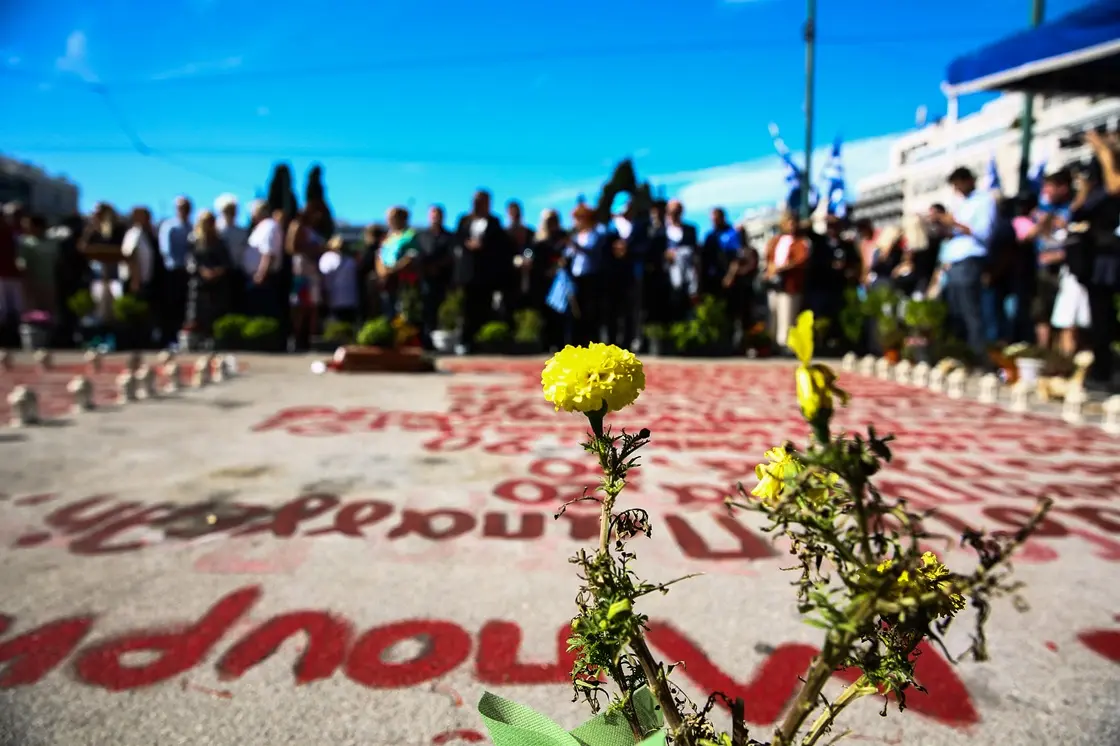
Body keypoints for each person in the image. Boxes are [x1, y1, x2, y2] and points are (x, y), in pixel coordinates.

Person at [929, 167, 996, 361]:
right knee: (954, 311)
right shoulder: (960, 203)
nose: (956, 189)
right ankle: (958, 354)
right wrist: (940, 224)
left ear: (968, 181)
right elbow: (953, 233)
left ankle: (977, 356)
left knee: (970, 311)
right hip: (953, 263)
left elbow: (983, 232)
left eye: (958, 184)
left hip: (970, 261)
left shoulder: (984, 201)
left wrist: (953, 222)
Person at [454, 190, 509, 353]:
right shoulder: (464, 220)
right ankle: (464, 341)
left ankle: (482, 341)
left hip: (486, 274)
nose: (478, 204)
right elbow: (457, 240)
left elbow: (500, 245)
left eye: (482, 201)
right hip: (467, 272)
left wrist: (483, 246)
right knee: (466, 308)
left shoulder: (494, 221)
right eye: (476, 201)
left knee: (484, 308)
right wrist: (467, 244)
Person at [604, 193, 649, 348]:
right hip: (613, 274)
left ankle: (627, 342)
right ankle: (611, 342)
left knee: (631, 309)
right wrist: (615, 250)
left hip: (632, 273)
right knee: (612, 310)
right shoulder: (610, 227)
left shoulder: (639, 226)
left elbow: (644, 247)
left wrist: (627, 249)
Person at [564, 202, 608, 345]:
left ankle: (592, 341)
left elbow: (592, 250)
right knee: (577, 312)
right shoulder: (576, 235)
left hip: (591, 277)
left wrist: (575, 245)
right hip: (576, 278)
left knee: (591, 311)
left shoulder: (596, 233)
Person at [764, 211, 809, 347]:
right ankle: (771, 344)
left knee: (787, 317)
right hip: (775, 284)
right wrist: (771, 269)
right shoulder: (775, 240)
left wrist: (782, 268)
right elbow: (769, 258)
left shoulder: (801, 241)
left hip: (790, 285)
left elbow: (801, 260)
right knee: (772, 316)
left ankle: (785, 345)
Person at [186, 210, 233, 339]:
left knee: (216, 313)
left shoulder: (220, 242)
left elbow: (226, 262)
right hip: (199, 284)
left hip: (218, 284)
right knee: (197, 314)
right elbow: (190, 261)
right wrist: (202, 271)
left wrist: (217, 271)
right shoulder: (194, 241)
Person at [120, 207, 165, 333]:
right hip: (135, 281)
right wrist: (135, 279)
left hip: (147, 280)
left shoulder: (149, 233)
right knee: (135, 315)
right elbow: (131, 256)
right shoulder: (134, 233)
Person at [286, 206, 325, 350]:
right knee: (300, 306)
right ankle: (297, 338)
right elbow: (292, 247)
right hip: (303, 272)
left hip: (313, 272)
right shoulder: (298, 226)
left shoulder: (312, 229)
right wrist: (315, 249)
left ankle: (308, 339)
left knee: (312, 306)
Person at [416, 205, 456, 347]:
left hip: (444, 280)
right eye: (433, 214)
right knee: (426, 311)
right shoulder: (422, 236)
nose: (435, 217)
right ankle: (426, 340)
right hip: (426, 279)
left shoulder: (449, 237)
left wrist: (438, 266)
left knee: (443, 310)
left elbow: (453, 256)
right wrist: (426, 268)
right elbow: (418, 254)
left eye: (438, 214)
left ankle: (443, 342)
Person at [158, 196, 193, 341]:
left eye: (186, 207)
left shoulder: (191, 227)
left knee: (186, 305)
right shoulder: (169, 226)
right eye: (181, 207)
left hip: (188, 272)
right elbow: (166, 250)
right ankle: (169, 337)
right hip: (172, 271)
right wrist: (177, 264)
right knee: (171, 304)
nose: (184, 210)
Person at [533, 209, 568, 352]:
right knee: (546, 315)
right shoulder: (538, 239)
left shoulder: (563, 237)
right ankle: (547, 344)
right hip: (544, 282)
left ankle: (561, 343)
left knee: (560, 314)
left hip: (561, 282)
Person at [377, 206, 420, 319]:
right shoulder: (388, 237)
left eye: (391, 217)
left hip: (403, 281)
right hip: (386, 281)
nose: (388, 220)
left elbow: (411, 256)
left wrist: (393, 270)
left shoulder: (410, 235)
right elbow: (379, 256)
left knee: (402, 312)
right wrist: (382, 272)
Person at [243, 201, 284, 319]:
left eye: (253, 211)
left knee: (263, 313)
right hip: (255, 276)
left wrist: (261, 274)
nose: (251, 215)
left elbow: (268, 253)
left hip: (264, 277)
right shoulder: (260, 227)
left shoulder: (269, 226)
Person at [663, 199, 700, 322]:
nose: (675, 214)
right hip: (669, 276)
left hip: (688, 276)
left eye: (677, 211)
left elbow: (696, 254)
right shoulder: (662, 231)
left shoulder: (690, 229)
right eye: (672, 211)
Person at [16, 214, 60, 315]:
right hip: (33, 284)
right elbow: (22, 263)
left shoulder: (53, 242)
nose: (26, 227)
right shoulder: (26, 243)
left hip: (51, 283)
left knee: (50, 311)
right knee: (35, 312)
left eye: (29, 225)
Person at [215, 194, 248, 313]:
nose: (231, 213)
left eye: (233, 210)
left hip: (237, 270)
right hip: (219, 272)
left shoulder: (241, 231)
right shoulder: (216, 230)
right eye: (227, 210)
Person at [701, 207, 741, 298]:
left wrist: (730, 276)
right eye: (712, 219)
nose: (714, 221)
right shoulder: (710, 236)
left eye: (716, 219)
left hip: (728, 276)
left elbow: (736, 258)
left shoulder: (731, 234)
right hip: (713, 278)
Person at [319, 235, 360, 324]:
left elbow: (326, 280)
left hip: (334, 299)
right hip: (350, 299)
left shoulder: (327, 258)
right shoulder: (351, 261)